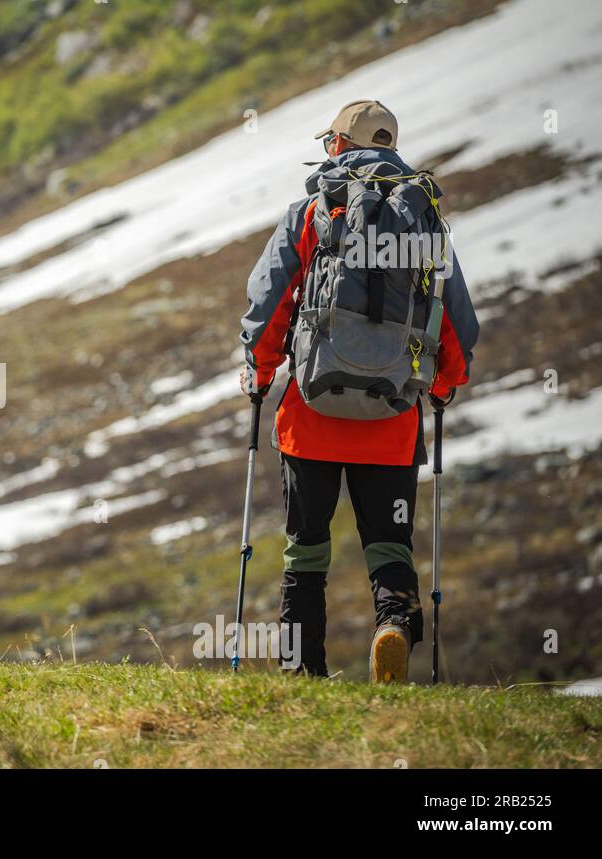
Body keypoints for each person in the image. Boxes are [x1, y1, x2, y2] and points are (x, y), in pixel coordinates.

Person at [238, 100, 479, 681]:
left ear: (339, 147)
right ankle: (393, 624)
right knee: (389, 546)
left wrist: (260, 369)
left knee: (305, 551)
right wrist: (444, 384)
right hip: (391, 419)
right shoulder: (424, 220)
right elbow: (457, 323)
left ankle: (302, 670)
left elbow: (268, 304)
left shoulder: (312, 211)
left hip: (311, 416)